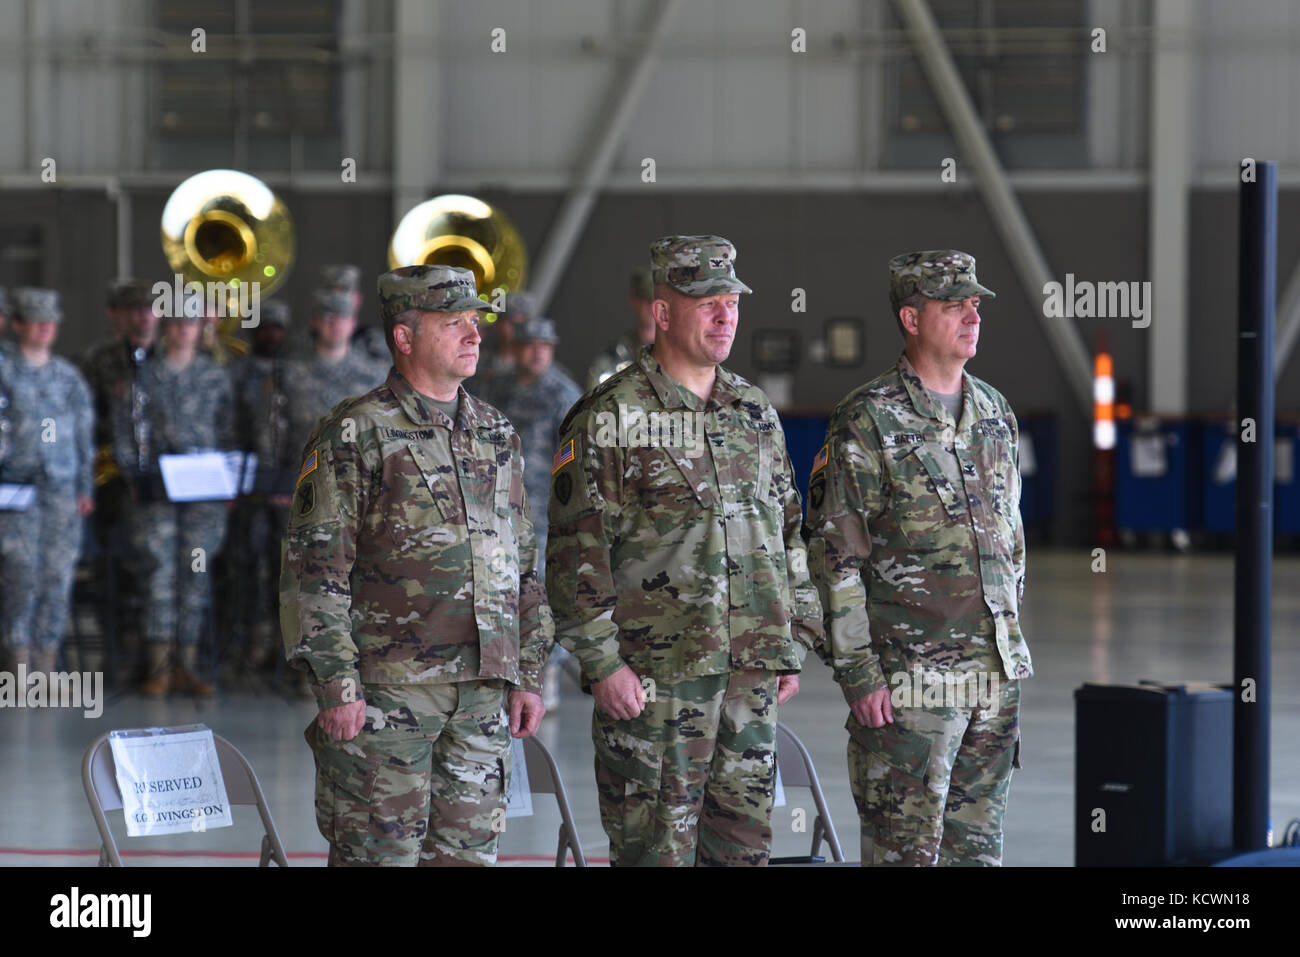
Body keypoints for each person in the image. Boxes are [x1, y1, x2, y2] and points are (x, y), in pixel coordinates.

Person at [546, 235, 822, 867]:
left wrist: (793, 638)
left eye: (731, 301)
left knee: (743, 852)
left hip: (749, 681)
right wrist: (601, 663)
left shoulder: (751, 410)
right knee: (655, 854)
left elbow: (787, 529)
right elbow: (574, 554)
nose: (725, 315)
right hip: (653, 688)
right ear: (663, 312)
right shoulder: (609, 417)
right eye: (707, 302)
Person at [280, 264, 553, 867]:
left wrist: (528, 669)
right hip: (387, 696)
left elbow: (524, 567)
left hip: (483, 693)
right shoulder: (355, 432)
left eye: (476, 321)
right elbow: (315, 570)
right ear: (404, 338)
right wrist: (337, 684)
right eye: (452, 322)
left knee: (466, 858)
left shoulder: (495, 432)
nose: (474, 334)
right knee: (378, 857)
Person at [803, 249, 1032, 867]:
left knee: (977, 856)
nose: (972, 315)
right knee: (906, 856)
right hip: (909, 686)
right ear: (911, 318)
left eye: (975, 304)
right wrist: (858, 672)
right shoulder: (867, 418)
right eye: (953, 304)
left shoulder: (995, 414)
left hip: (994, 679)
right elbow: (834, 558)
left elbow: (1010, 543)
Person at [114, 292, 234, 696]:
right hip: (158, 488)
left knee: (195, 572)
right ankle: (159, 665)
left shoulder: (215, 375)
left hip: (204, 490)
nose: (184, 330)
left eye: (192, 323)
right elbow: (126, 429)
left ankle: (187, 662)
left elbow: (229, 429)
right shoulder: (145, 375)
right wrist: (134, 473)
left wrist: (229, 477)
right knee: (158, 571)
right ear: (166, 328)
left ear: (202, 329)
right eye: (177, 323)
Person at [479, 316, 583, 710]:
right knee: (500, 587)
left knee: (539, 591)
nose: (538, 352)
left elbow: (576, 455)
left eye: (545, 345)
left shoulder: (562, 393)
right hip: (499, 506)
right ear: (517, 347)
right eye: (530, 345)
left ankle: (546, 672)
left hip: (542, 509)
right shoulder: (496, 386)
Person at [0, 289, 94, 675]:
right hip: (15, 489)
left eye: (50, 321)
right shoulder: (5, 372)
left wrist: (85, 488)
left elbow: (84, 438)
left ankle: (46, 666)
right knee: (20, 577)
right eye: (36, 320)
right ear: (18, 324)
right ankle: (17, 668)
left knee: (57, 576)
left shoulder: (68, 377)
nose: (45, 328)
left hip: (61, 490)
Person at [586, 266, 657, 389]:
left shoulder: (683, 358)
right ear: (634, 301)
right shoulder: (612, 360)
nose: (652, 308)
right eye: (646, 301)